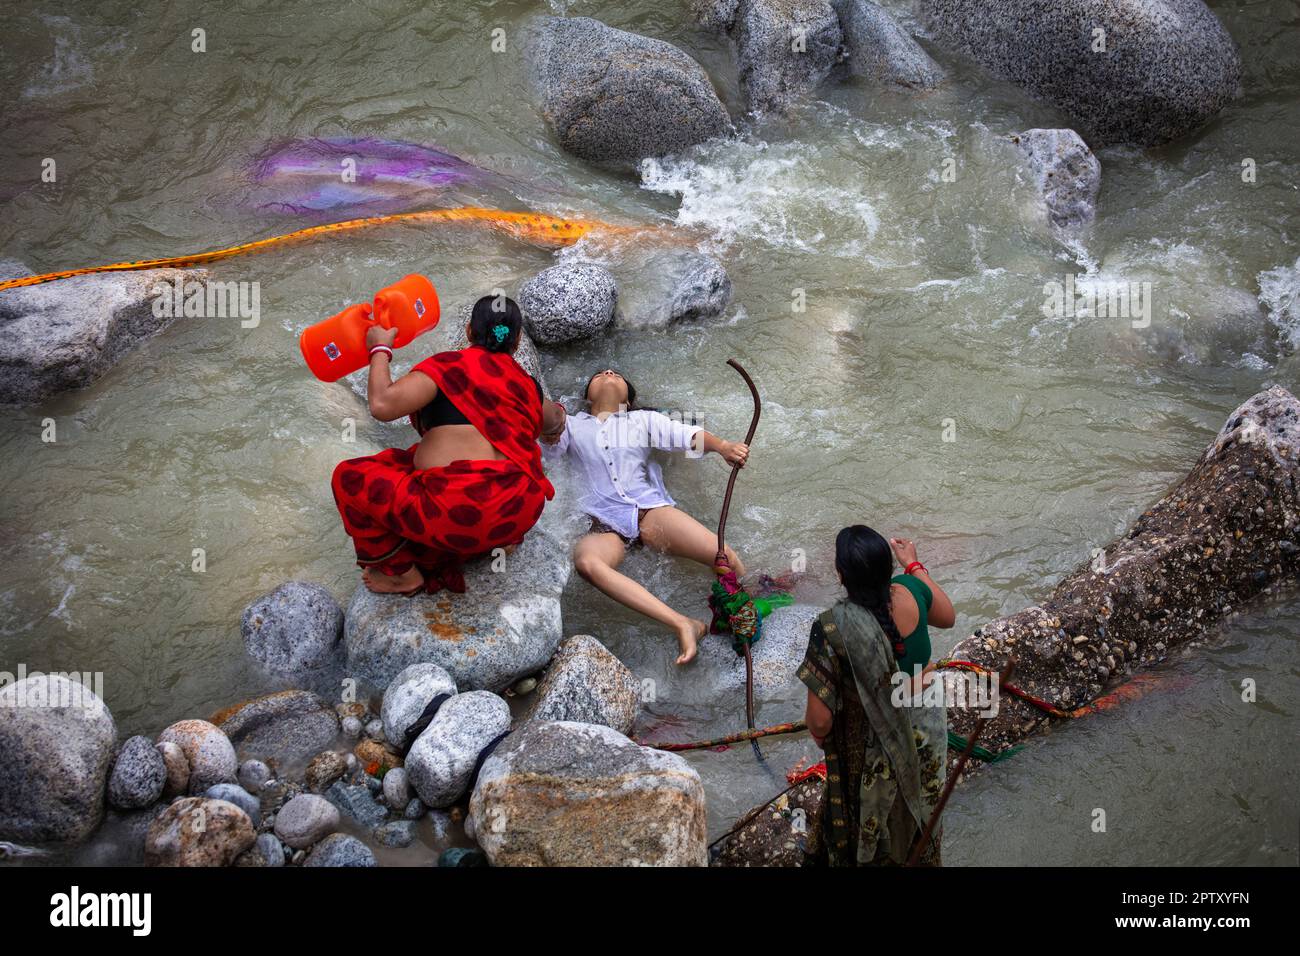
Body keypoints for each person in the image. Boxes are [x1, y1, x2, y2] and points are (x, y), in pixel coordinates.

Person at [331, 295, 565, 594]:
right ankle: (495, 541)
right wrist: (553, 426)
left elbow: (381, 405)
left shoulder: (446, 367)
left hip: (450, 511)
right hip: (516, 511)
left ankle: (402, 575)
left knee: (349, 476)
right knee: (410, 460)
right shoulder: (526, 385)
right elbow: (554, 421)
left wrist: (379, 348)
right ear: (517, 341)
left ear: (469, 332)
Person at [541, 368, 749, 665]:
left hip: (648, 511)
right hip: (602, 524)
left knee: (723, 554)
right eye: (600, 374)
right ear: (586, 396)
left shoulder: (642, 419)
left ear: (630, 396)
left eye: (616, 374)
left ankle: (748, 602)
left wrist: (723, 447)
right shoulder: (570, 425)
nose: (609, 373)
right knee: (587, 563)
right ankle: (682, 623)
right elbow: (549, 446)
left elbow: (685, 435)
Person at [799, 525, 957, 865]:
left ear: (842, 575)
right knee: (920, 812)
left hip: (872, 746)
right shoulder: (910, 589)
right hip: (927, 736)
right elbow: (948, 617)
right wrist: (913, 565)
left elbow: (821, 721)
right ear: (889, 568)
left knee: (870, 823)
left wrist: (818, 732)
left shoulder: (832, 628)